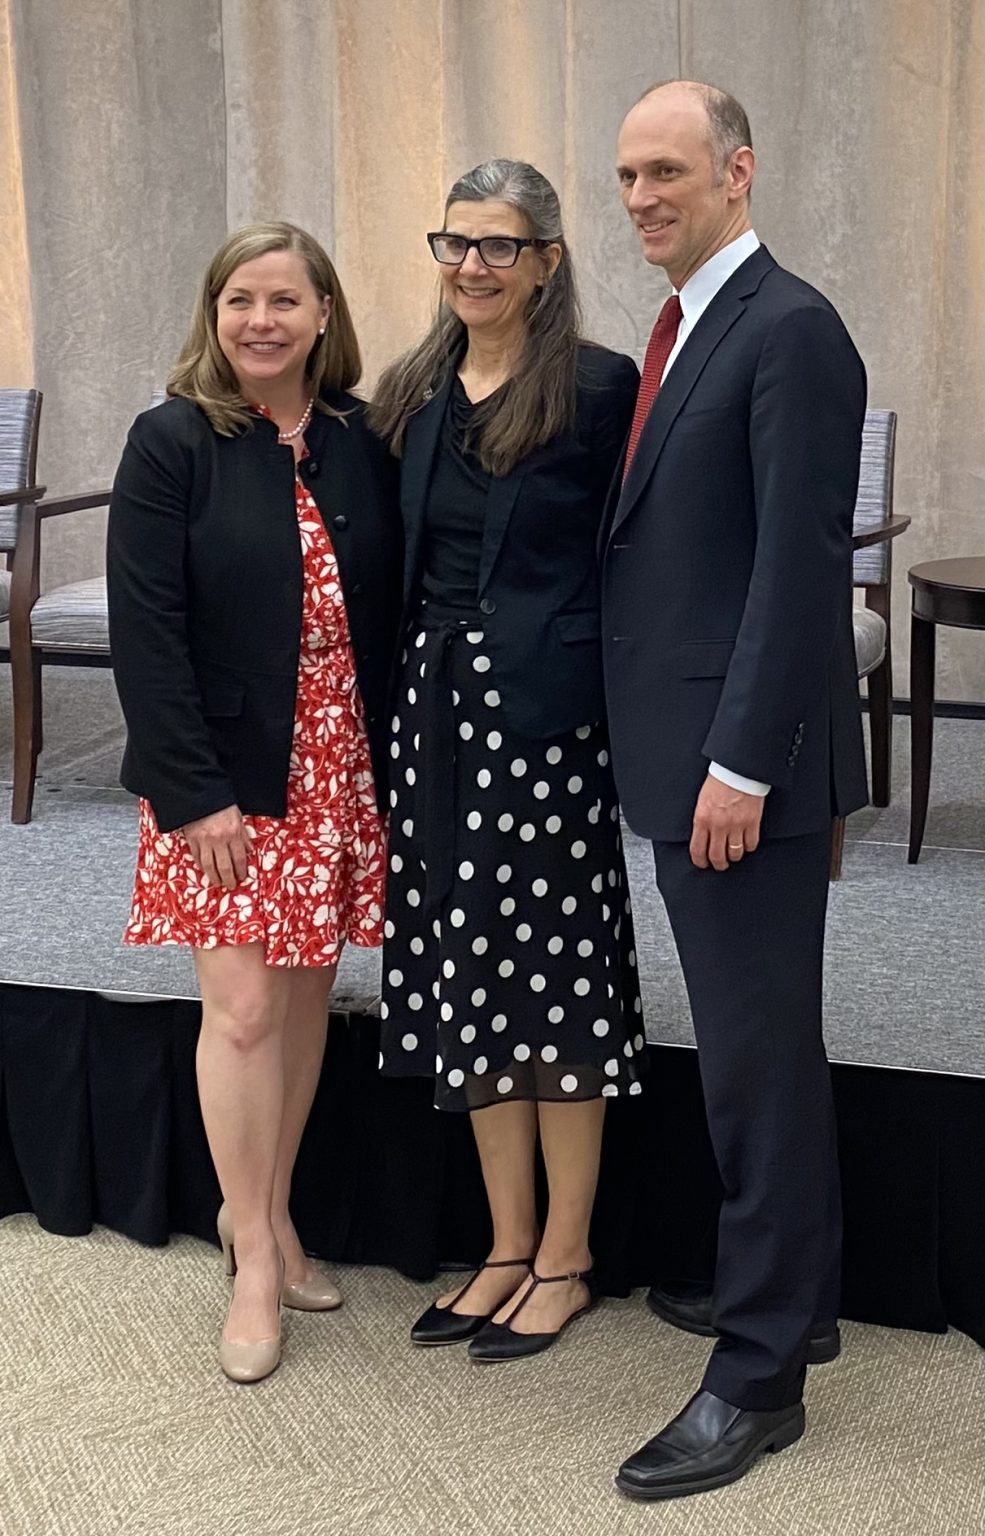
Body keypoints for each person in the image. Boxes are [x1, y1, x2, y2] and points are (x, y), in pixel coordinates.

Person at [602, 83, 867, 1499]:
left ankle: (759, 1378)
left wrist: (742, 765)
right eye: (628, 173)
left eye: (668, 170)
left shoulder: (791, 330)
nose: (641, 194)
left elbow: (796, 568)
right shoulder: (687, 325)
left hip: (737, 776)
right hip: (687, 757)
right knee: (755, 1045)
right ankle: (798, 1299)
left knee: (758, 1064)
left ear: (738, 170)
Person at [106, 222, 402, 1383]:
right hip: (222, 782)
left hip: (336, 764)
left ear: (325, 313)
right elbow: (147, 630)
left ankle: (265, 1215)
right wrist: (192, 794)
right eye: (241, 299)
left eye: (286, 298)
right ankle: (251, 1267)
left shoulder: (357, 438)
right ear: (213, 314)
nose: (262, 320)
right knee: (236, 1014)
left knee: (297, 1007)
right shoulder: (172, 439)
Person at [370, 159, 645, 1361]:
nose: (471, 266)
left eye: (498, 246)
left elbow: (638, 552)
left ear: (544, 262)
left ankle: (568, 1255)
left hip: (545, 721)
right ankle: (503, 1243)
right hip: (432, 717)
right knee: (466, 980)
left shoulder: (596, 386)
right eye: (454, 244)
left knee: (557, 981)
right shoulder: (413, 389)